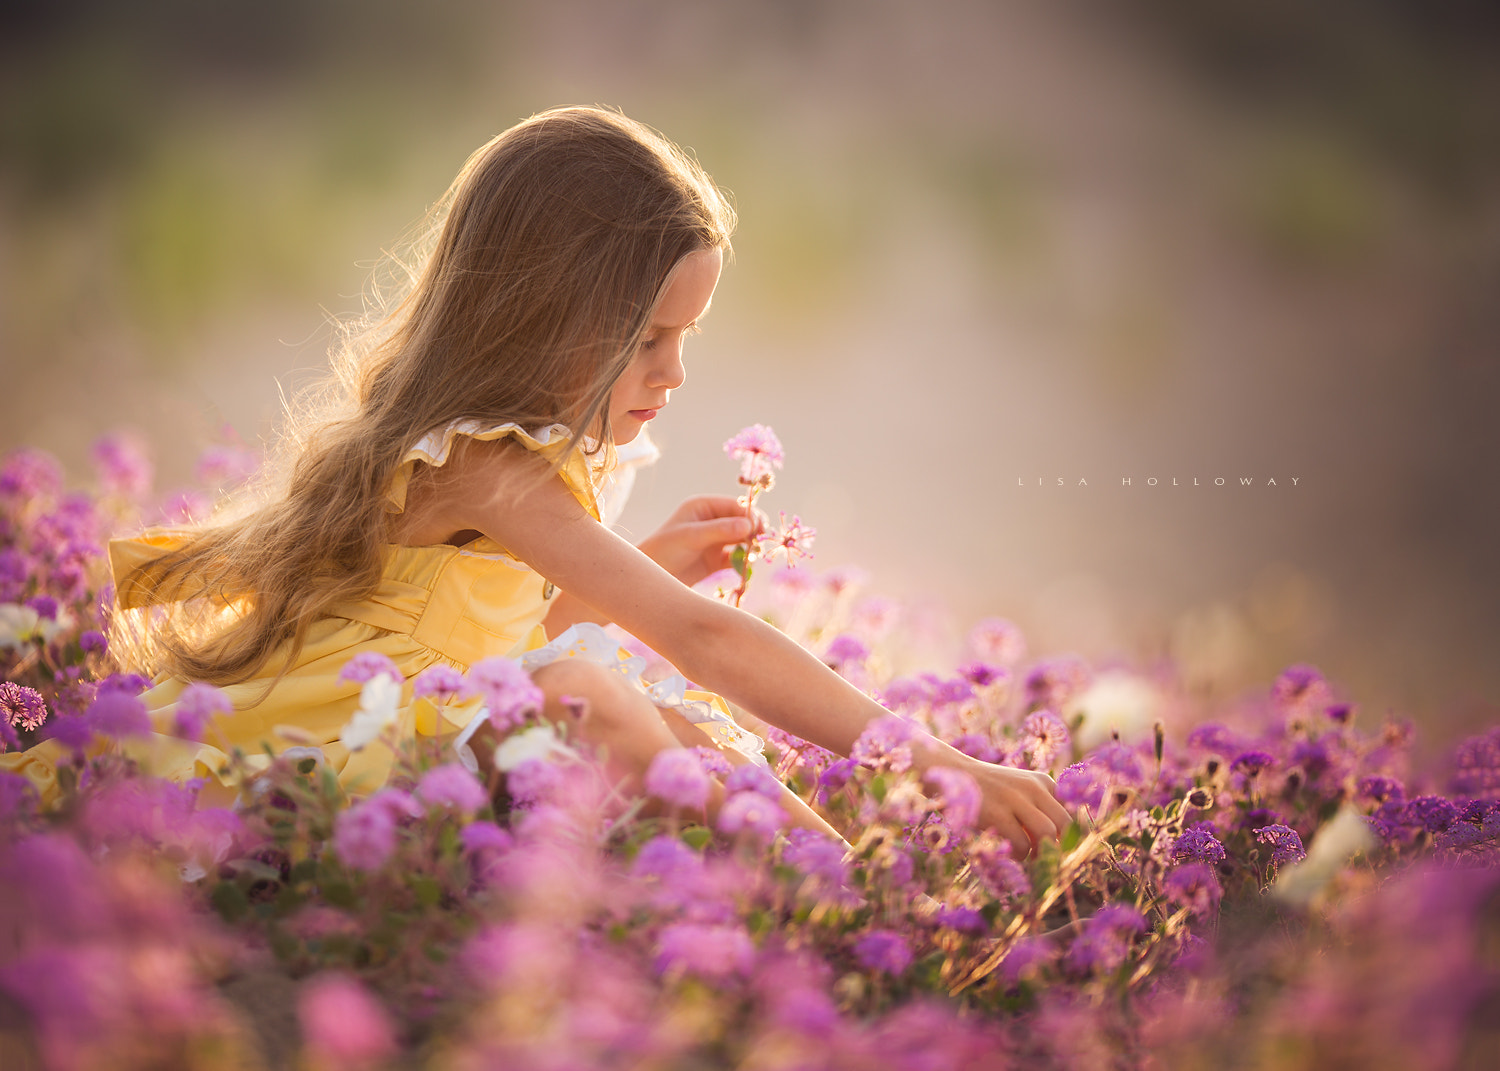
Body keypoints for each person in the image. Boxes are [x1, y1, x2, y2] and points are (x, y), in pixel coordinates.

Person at [9, 107, 1070, 857]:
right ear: (544, 314)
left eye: (685, 338)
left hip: (429, 717)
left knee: (676, 724)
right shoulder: (480, 462)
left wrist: (640, 566)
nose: (676, 374)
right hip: (342, 739)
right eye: (649, 339)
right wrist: (936, 763)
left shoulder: (517, 467)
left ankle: (848, 897)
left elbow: (499, 636)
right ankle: (826, 895)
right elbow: (697, 640)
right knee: (607, 695)